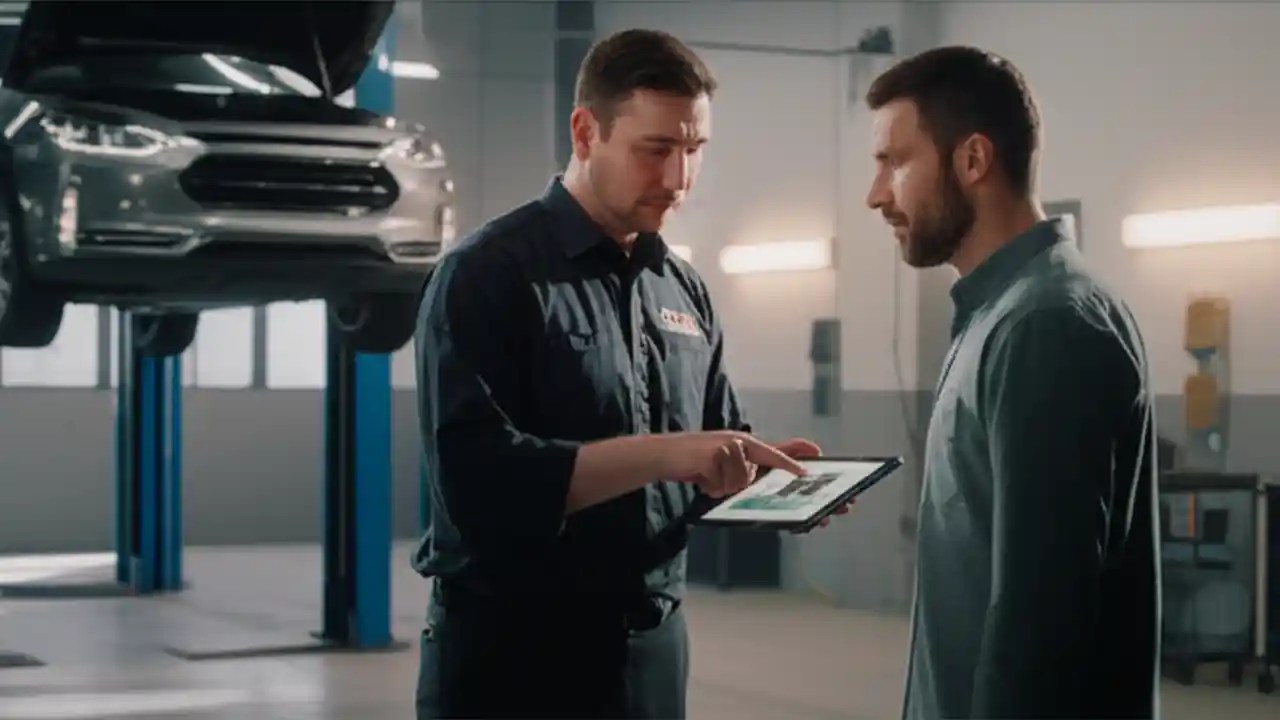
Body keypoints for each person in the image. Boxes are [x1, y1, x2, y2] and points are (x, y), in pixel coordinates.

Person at [412, 29, 831, 719]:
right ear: (585, 132)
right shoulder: (490, 275)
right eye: (656, 150)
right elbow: (478, 485)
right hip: (515, 661)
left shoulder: (684, 291)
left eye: (693, 151)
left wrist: (763, 484)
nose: (678, 179)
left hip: (654, 655)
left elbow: (702, 468)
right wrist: (668, 454)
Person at [863, 46, 1161, 719]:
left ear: (972, 160)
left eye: (895, 161)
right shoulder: (997, 313)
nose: (876, 194)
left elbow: (1041, 619)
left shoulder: (1045, 325)